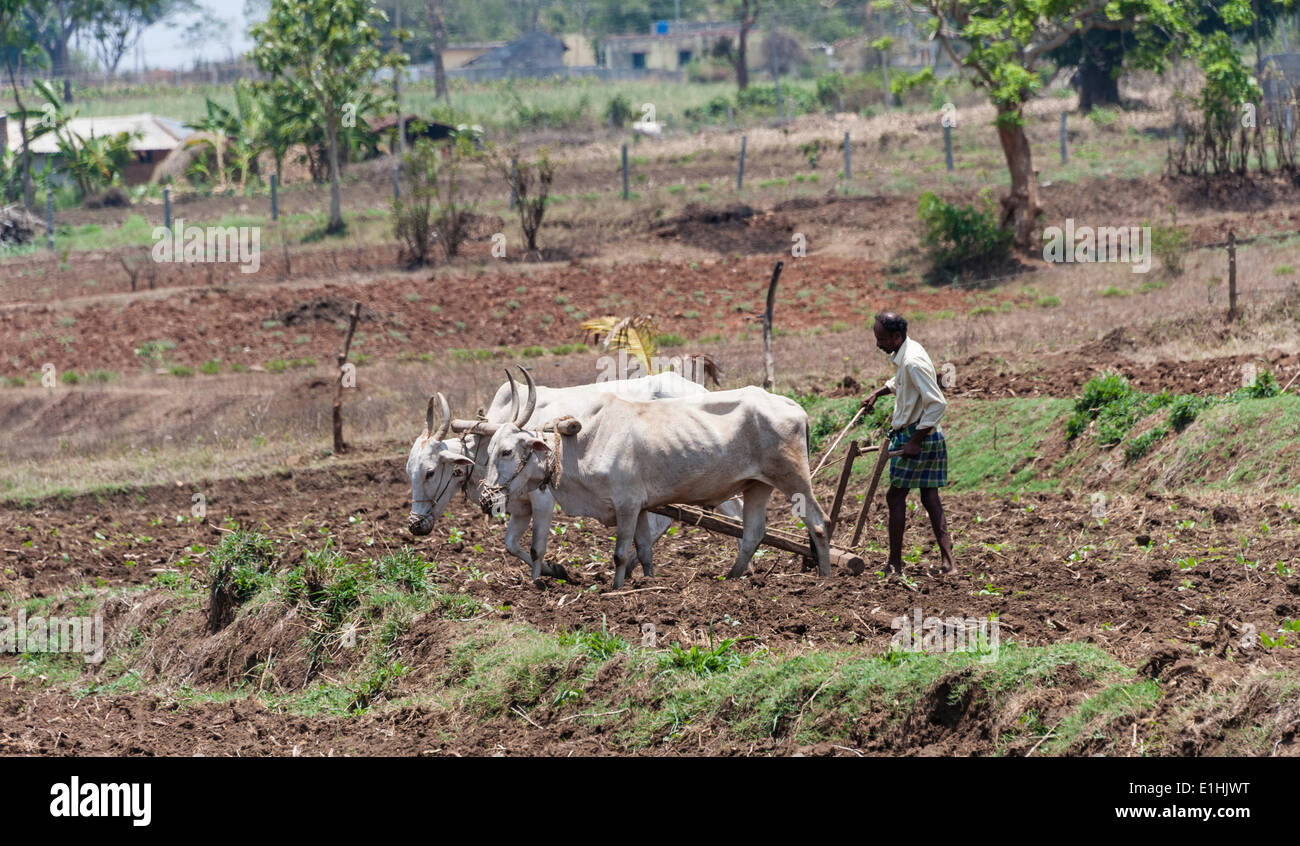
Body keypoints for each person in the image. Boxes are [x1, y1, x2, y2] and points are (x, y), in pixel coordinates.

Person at [860, 312, 955, 575]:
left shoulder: (912, 361)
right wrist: (878, 393)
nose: (878, 344)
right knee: (929, 495)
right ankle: (948, 563)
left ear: (896, 337)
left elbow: (937, 403)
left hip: (919, 435)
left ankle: (895, 563)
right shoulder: (908, 352)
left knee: (895, 495)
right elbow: (902, 381)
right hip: (925, 433)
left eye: (881, 339)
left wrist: (914, 441)